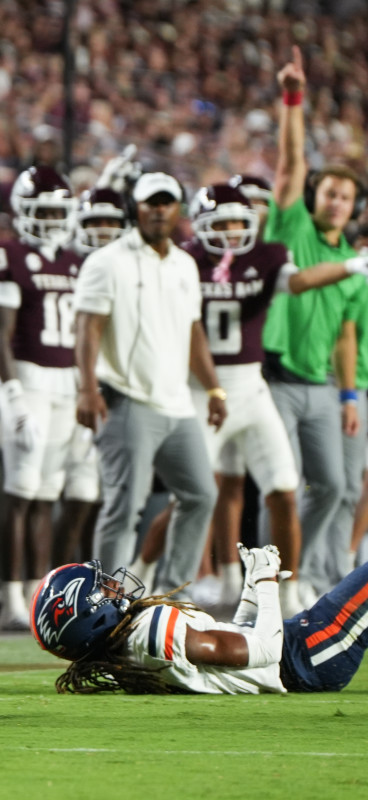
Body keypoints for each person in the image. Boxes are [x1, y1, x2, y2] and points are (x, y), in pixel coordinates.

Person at [140, 184, 368, 615]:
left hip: (251, 387)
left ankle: (288, 592)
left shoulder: (265, 257)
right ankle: (141, 569)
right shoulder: (184, 261)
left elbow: (300, 281)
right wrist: (209, 388)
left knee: (284, 489)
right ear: (201, 225)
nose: (230, 231)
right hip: (201, 390)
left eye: (236, 222)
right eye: (221, 223)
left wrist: (352, 265)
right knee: (190, 497)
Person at [74, 172, 226, 598]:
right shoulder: (107, 261)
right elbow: (87, 328)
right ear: (134, 208)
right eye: (150, 202)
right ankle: (105, 602)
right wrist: (86, 389)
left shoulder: (185, 264)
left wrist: (214, 389)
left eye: (166, 202)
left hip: (176, 403)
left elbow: (193, 330)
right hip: (125, 398)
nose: (159, 210)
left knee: (201, 494)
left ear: (178, 209)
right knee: (124, 506)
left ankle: (174, 595)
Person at [260, 46, 368, 600]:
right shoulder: (291, 226)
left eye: (346, 197)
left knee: (332, 484)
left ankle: (298, 575)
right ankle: (270, 584)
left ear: (354, 207)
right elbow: (290, 161)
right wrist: (293, 98)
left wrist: (349, 395)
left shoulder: (353, 260)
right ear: (314, 196)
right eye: (330, 192)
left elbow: (346, 335)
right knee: (281, 483)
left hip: (322, 385)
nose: (337, 201)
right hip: (275, 377)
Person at [0, 166, 100, 630]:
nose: (52, 220)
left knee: (48, 492)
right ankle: (10, 594)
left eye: (57, 211)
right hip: (28, 379)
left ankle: (38, 591)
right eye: (43, 211)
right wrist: (11, 396)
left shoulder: (76, 262)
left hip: (67, 383)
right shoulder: (9, 256)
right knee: (21, 491)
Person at [32, 548, 368, 695]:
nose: (115, 585)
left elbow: (232, 650)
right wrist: (266, 580)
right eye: (102, 587)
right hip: (308, 653)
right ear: (90, 613)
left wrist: (251, 589)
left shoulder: (126, 653)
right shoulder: (150, 632)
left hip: (300, 656)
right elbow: (267, 650)